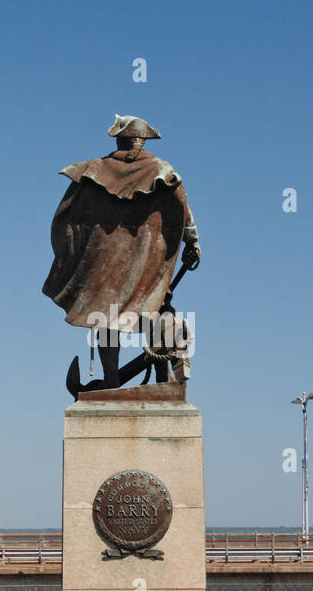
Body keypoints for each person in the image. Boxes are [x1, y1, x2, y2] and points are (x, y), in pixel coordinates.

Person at [43, 115, 200, 395]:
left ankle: (115, 377)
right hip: (146, 261)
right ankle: (162, 377)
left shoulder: (94, 171)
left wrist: (72, 252)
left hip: (106, 265)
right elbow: (182, 207)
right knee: (155, 308)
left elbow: (64, 218)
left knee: (109, 316)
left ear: (119, 139)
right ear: (142, 142)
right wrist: (192, 242)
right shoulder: (161, 170)